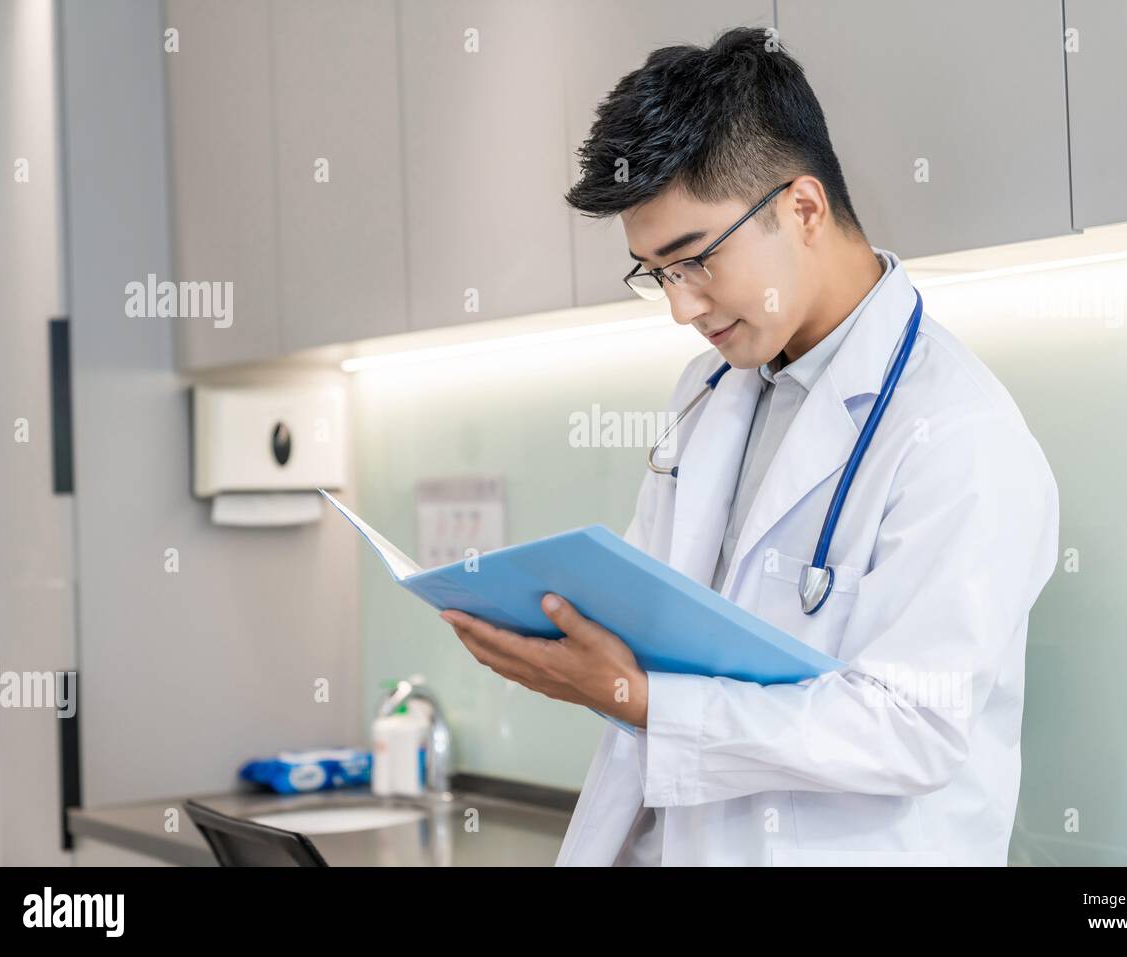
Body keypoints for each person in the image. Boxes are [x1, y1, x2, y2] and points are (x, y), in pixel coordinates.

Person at [440, 26, 1059, 866]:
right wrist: (579, 653)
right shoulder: (707, 393)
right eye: (656, 273)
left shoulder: (958, 433)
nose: (680, 307)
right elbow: (656, 648)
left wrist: (638, 696)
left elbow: (914, 728)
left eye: (693, 260)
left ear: (802, 208)